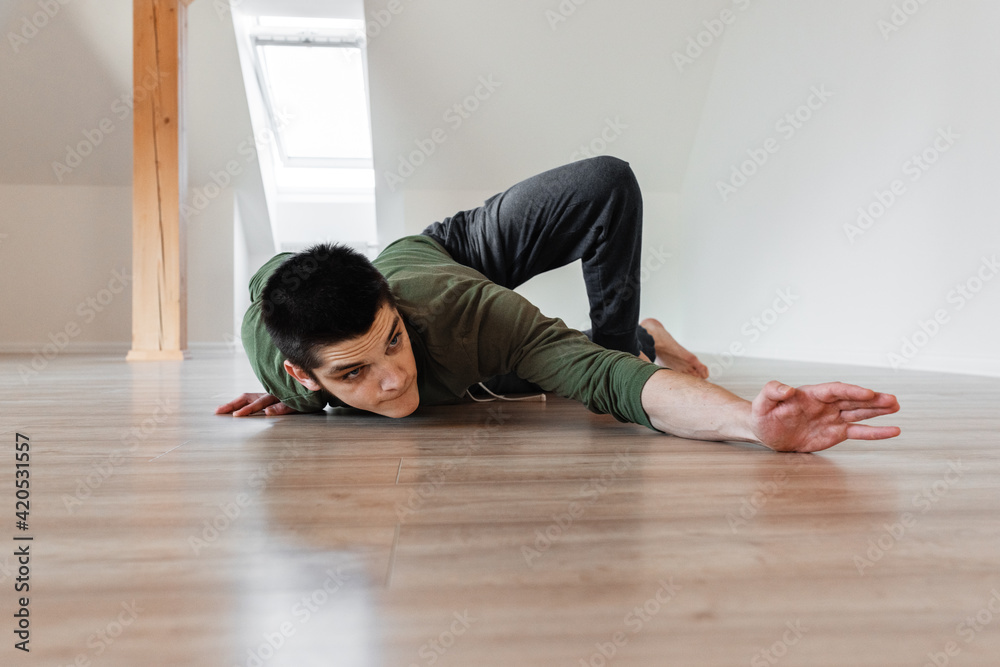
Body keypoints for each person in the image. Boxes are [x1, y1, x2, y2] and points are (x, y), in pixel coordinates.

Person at [216, 157, 900, 453]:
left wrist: (754, 424)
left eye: (390, 343)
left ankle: (624, 334)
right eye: (351, 373)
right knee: (526, 381)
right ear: (300, 373)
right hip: (434, 343)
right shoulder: (276, 360)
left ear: (391, 306)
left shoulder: (466, 315)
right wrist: (304, 399)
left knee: (604, 186)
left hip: (445, 260)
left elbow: (611, 381)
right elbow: (271, 276)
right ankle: (639, 333)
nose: (391, 378)